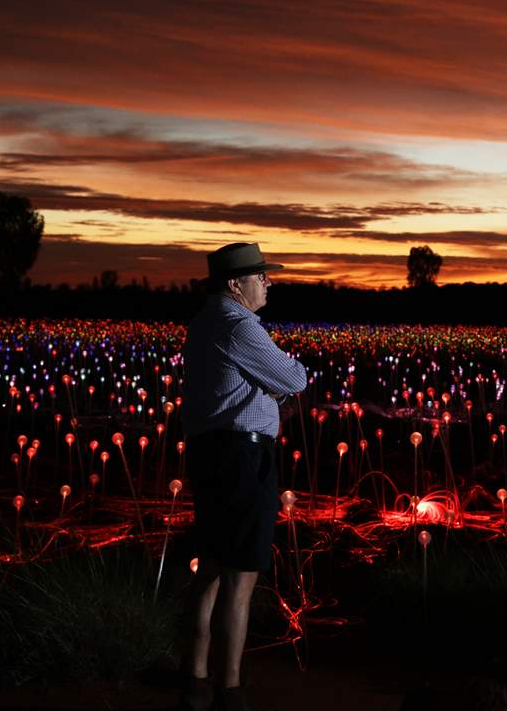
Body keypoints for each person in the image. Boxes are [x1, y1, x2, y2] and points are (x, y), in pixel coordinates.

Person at [176, 242, 308, 711]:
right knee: (241, 578)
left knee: (211, 567)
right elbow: (294, 379)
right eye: (260, 276)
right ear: (236, 284)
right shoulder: (239, 327)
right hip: (241, 461)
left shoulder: (203, 322)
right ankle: (230, 690)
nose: (268, 282)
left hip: (212, 455)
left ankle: (193, 678)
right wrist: (278, 387)